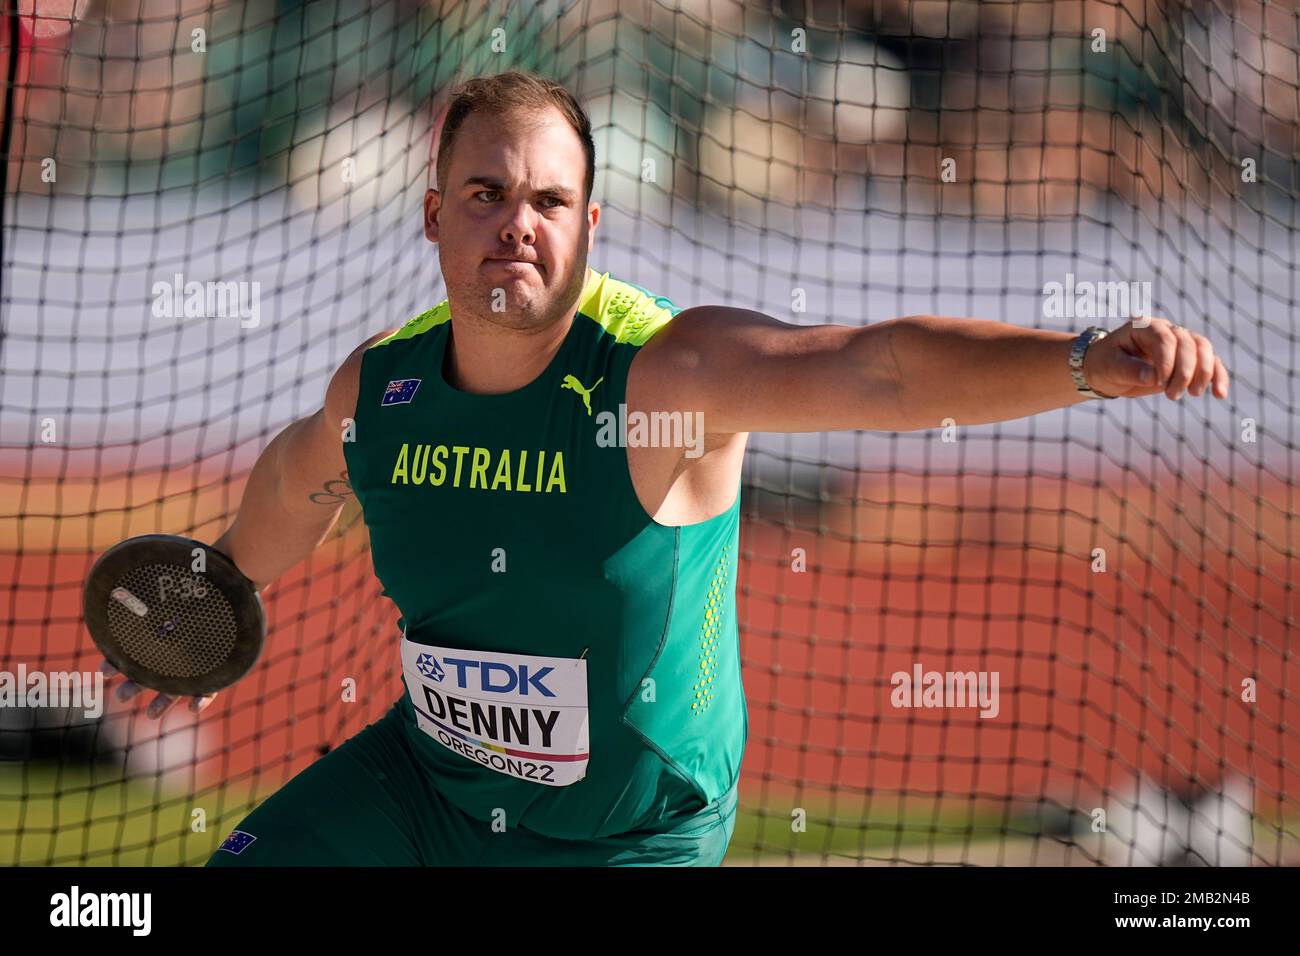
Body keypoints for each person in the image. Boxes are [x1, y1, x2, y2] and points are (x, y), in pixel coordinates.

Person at [104, 70, 1230, 866]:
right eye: (487, 195)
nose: (518, 225)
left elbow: (880, 370)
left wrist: (1080, 359)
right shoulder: (384, 387)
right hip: (428, 788)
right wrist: (215, 595)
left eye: (548, 200)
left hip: (629, 838)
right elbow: (301, 474)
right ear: (434, 214)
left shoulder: (663, 374)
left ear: (589, 225)